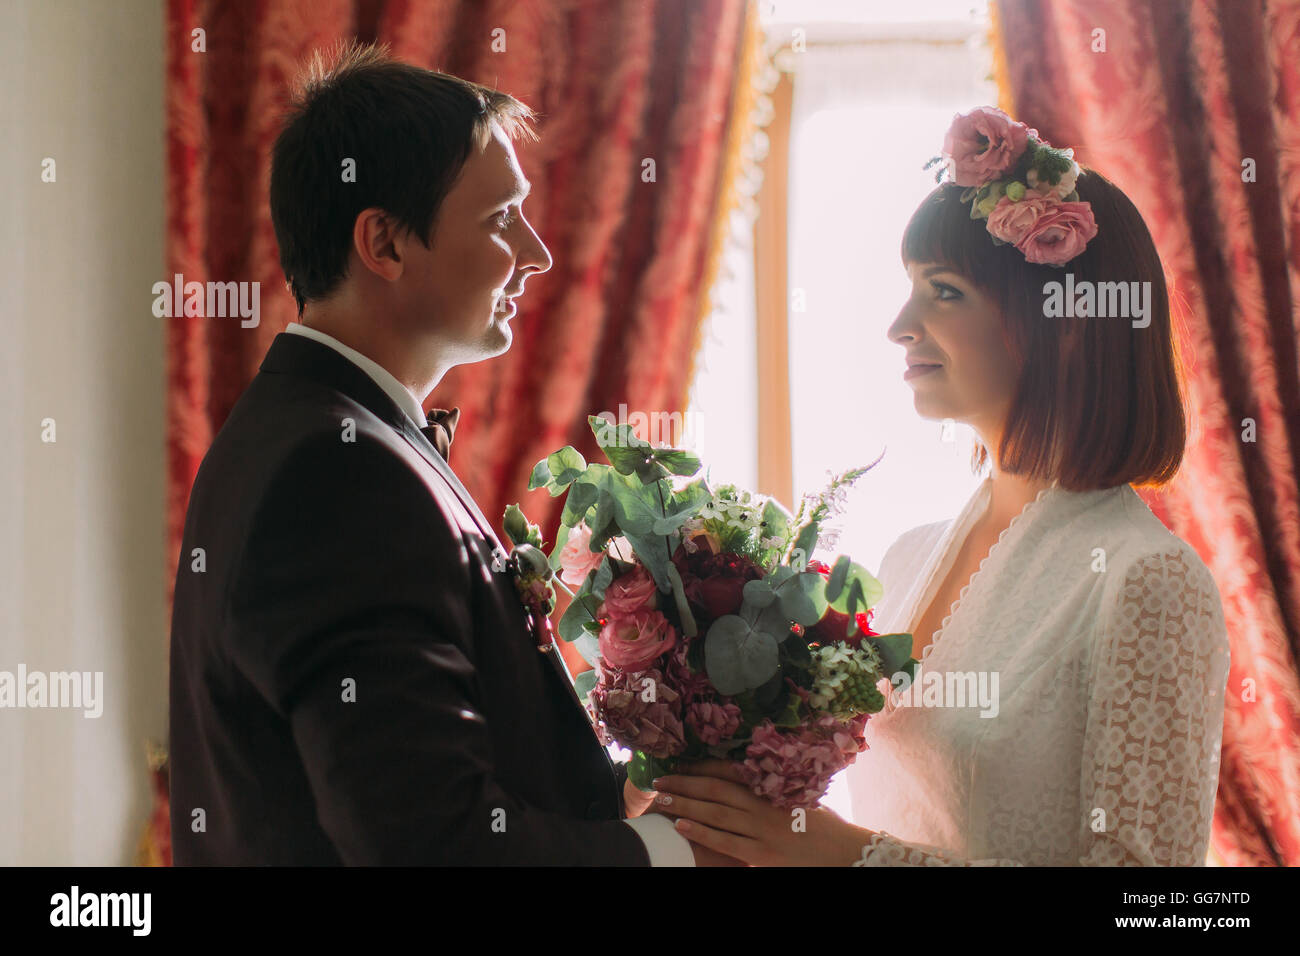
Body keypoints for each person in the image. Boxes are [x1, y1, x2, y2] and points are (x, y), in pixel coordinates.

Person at [168, 40, 719, 865]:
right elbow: (429, 841)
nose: (538, 253)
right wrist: (667, 857)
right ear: (383, 243)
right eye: (502, 219)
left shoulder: (320, 435)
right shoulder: (335, 471)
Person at [651, 107, 1231, 866]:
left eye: (944, 291)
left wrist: (852, 860)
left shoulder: (1148, 582)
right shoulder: (905, 558)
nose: (899, 324)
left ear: (1066, 323)